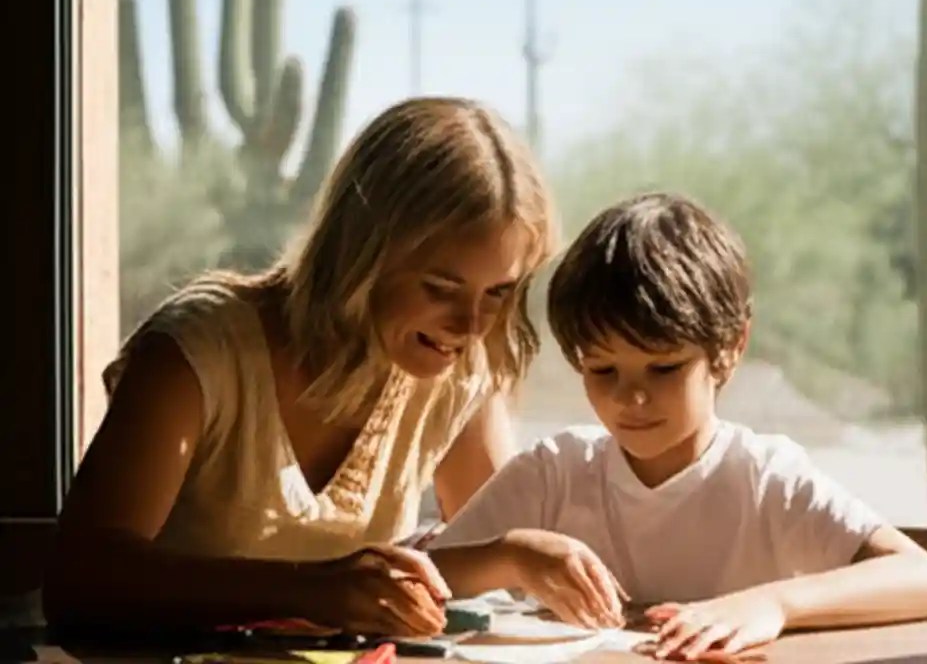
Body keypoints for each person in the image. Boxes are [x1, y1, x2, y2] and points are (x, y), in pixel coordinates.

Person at [44, 97, 558, 637]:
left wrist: (513, 555)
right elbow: (79, 582)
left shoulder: (456, 373)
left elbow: (451, 566)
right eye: (441, 288)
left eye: (499, 292)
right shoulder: (199, 354)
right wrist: (310, 591)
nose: (472, 324)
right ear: (362, 252)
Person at [426, 192, 927, 660]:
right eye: (602, 370)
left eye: (665, 368)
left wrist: (772, 603)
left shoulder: (765, 478)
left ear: (729, 349)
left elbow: (926, 581)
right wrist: (508, 557)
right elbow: (410, 583)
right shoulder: (555, 473)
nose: (630, 396)